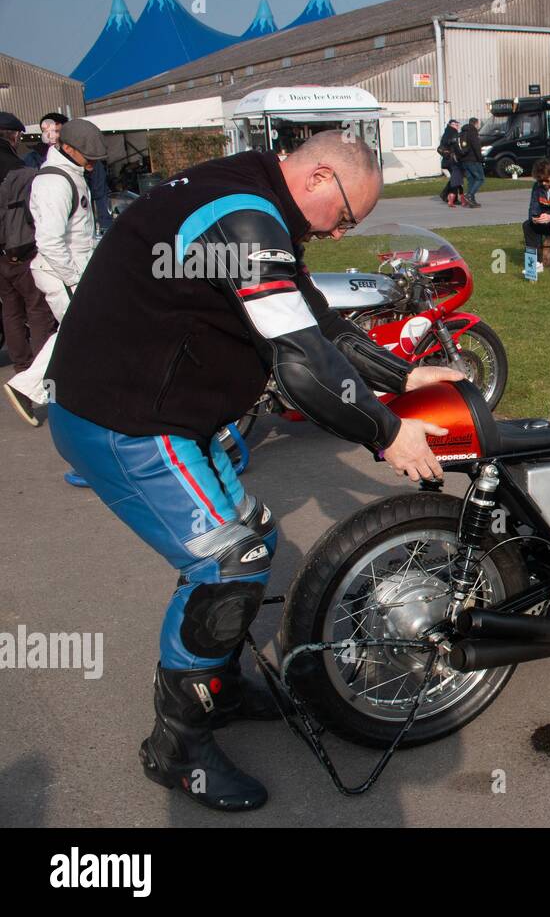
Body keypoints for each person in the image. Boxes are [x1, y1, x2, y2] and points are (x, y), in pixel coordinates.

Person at [44, 131, 461, 812]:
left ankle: (220, 685)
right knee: (228, 560)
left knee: (255, 538)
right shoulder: (245, 216)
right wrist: (387, 435)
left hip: (161, 409)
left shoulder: (252, 196)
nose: (338, 233)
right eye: (346, 217)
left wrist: (406, 373)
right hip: (126, 418)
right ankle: (177, 751)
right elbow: (300, 361)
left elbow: (318, 324)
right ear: (321, 176)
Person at [3, 119, 105, 427]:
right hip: (61, 272)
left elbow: (79, 232)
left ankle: (63, 395)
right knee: (79, 335)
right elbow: (49, 240)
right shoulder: (55, 182)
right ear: (68, 148)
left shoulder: (70, 175)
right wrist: (74, 277)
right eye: (88, 157)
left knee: (77, 335)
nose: (92, 164)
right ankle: (31, 388)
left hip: (69, 269)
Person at [0, 112, 58, 379]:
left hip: (0, 256)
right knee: (37, 310)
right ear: (13, 136)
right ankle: (39, 372)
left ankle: (21, 366)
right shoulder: (25, 173)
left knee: (10, 310)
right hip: (23, 251)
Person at [459, 117, 485, 208]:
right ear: (476, 123)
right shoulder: (473, 132)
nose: (479, 126)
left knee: (471, 180)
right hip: (473, 160)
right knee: (480, 178)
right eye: (478, 124)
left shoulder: (462, 132)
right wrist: (481, 159)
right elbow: (476, 147)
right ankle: (469, 195)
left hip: (464, 160)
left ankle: (471, 201)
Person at [437, 119, 463, 207]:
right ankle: (452, 198)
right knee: (456, 179)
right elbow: (454, 146)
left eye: (457, 124)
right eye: (455, 124)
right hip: (452, 160)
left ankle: (445, 194)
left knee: (455, 179)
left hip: (447, 160)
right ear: (450, 124)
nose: (457, 126)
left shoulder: (447, 132)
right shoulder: (453, 133)